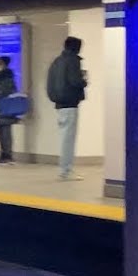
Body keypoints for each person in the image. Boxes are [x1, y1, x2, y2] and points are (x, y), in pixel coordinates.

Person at [46, 36, 87, 181]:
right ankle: (66, 170)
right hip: (70, 103)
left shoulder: (56, 62)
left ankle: (65, 169)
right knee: (68, 139)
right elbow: (75, 81)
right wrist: (84, 81)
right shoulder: (73, 61)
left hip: (59, 104)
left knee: (65, 137)